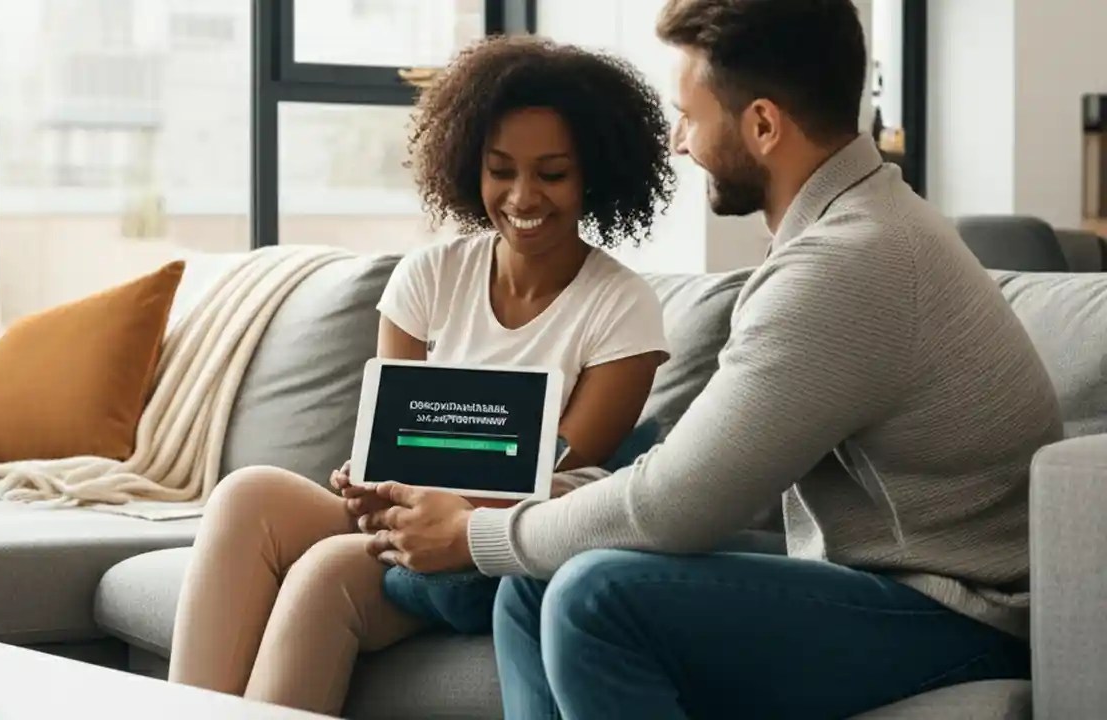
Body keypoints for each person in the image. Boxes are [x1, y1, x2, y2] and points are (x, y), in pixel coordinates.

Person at [351, 1, 1065, 718]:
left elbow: (673, 506)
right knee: (536, 583)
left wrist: (473, 535)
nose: (677, 142)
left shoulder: (846, 264)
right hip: (894, 585)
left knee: (593, 596)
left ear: (761, 124)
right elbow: (709, 474)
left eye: (688, 115)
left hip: (962, 614)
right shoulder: (857, 225)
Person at [167, 36, 676, 716]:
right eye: (501, 170)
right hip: (414, 511)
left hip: (506, 546)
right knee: (246, 496)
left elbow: (559, 481)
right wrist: (370, 477)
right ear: (470, 164)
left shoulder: (623, 308)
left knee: (325, 572)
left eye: (552, 174)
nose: (523, 196)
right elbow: (392, 437)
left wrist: (440, 502)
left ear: (594, 176)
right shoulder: (430, 275)